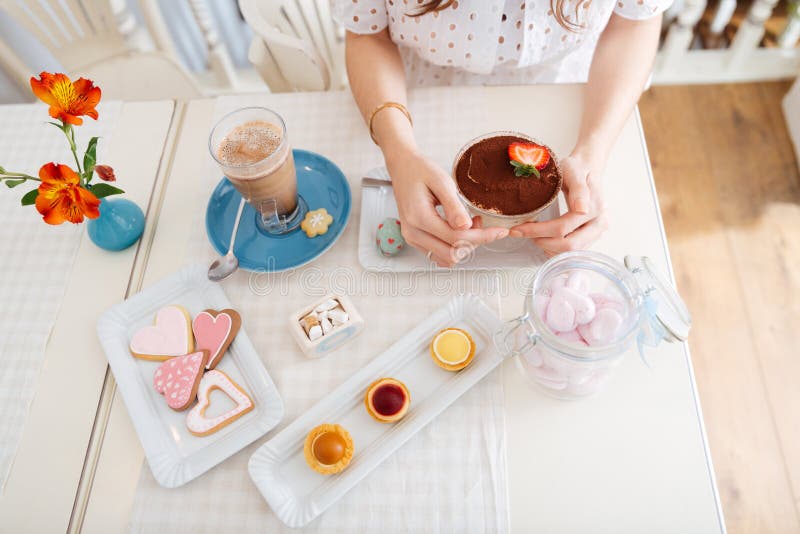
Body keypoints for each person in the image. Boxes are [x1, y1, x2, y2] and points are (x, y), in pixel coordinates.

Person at [333, 0, 670, 267]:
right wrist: (399, 153)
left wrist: (591, 156)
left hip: (573, 95)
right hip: (413, 96)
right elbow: (367, 34)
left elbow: (633, 22)